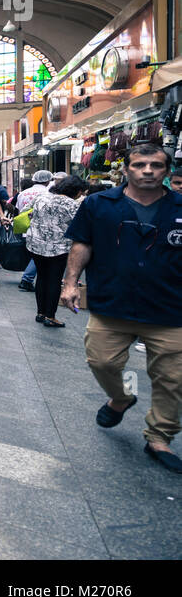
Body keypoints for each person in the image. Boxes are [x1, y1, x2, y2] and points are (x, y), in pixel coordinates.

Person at [61, 143, 182, 473]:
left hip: (171, 307)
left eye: (155, 165)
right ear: (126, 168)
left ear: (166, 171)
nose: (147, 171)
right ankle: (122, 397)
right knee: (101, 360)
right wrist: (71, 283)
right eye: (140, 164)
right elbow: (81, 244)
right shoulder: (100, 204)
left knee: (173, 379)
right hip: (112, 303)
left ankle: (159, 437)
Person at [24, 175, 88, 328]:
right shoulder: (72, 204)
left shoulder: (41, 197)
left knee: (41, 277)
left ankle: (40, 312)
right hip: (58, 248)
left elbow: (26, 211)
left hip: (36, 244)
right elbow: (80, 224)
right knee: (54, 279)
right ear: (77, 191)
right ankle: (50, 316)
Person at [15, 170, 53, 291]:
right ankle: (27, 278)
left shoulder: (23, 193)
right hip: (40, 230)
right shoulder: (48, 193)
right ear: (48, 181)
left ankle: (28, 277)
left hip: (25, 228)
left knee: (34, 255)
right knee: (38, 255)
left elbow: (18, 210)